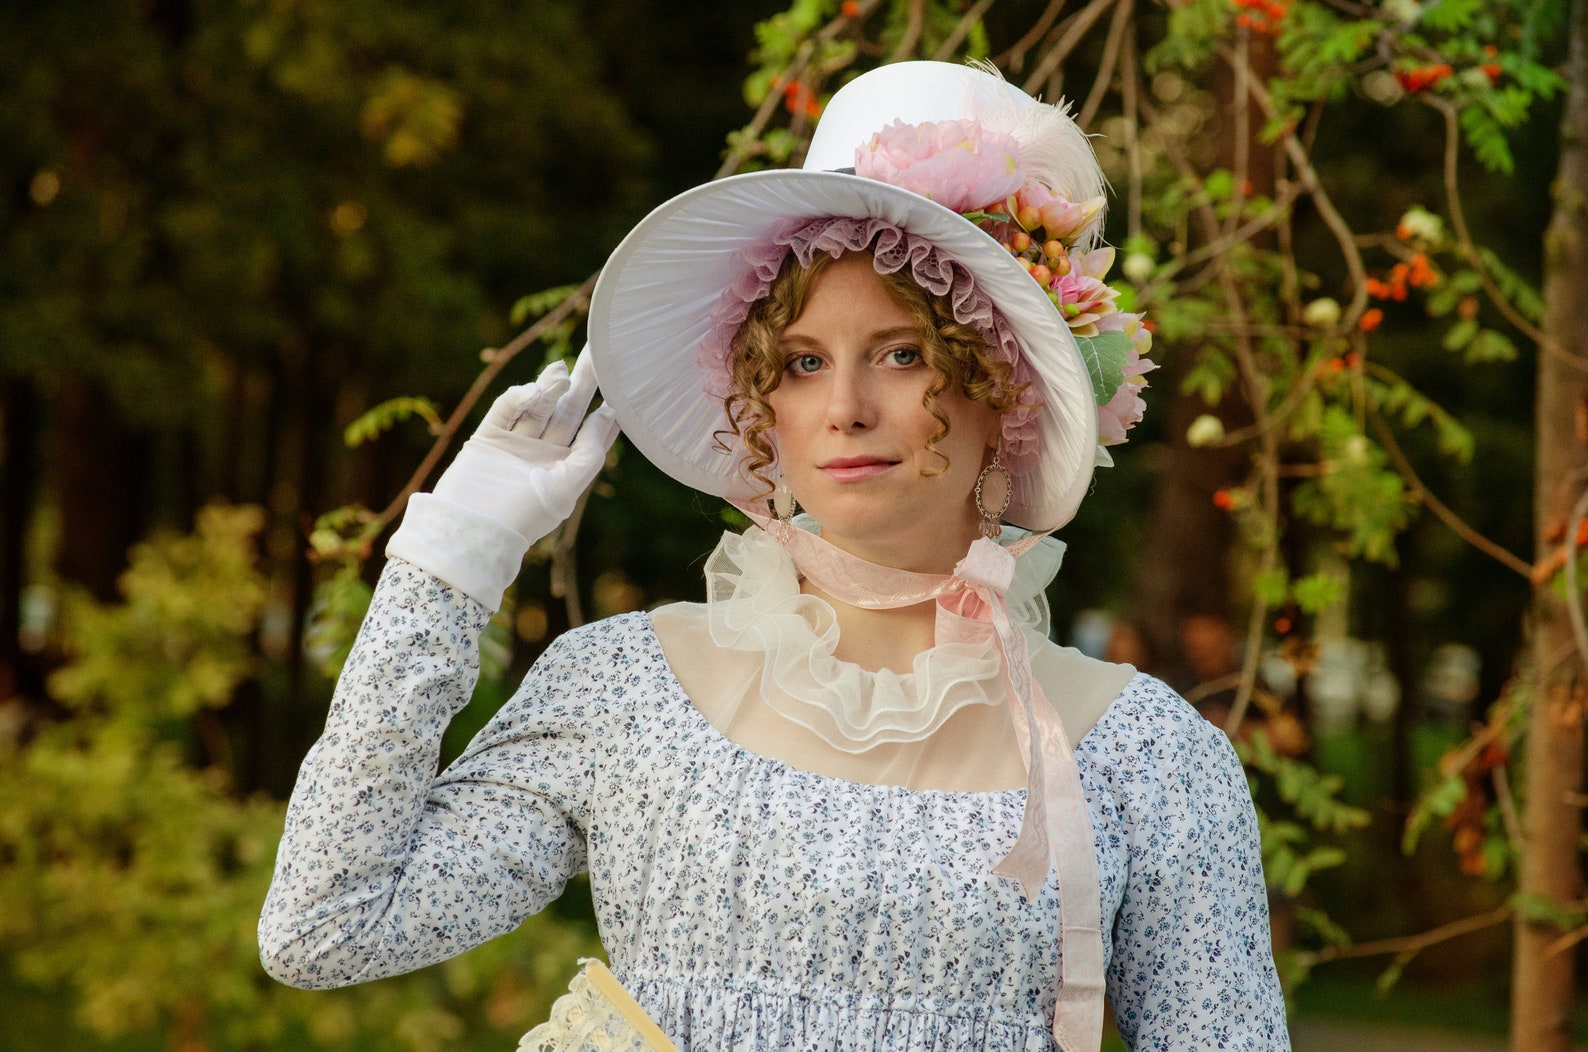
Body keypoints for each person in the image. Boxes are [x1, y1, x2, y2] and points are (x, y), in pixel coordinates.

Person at [259, 61, 1288, 1050]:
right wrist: (453, 555)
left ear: (1006, 389)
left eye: (902, 354)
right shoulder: (624, 691)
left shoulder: (1145, 758)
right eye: (801, 362)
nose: (844, 407)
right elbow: (325, 926)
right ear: (762, 399)